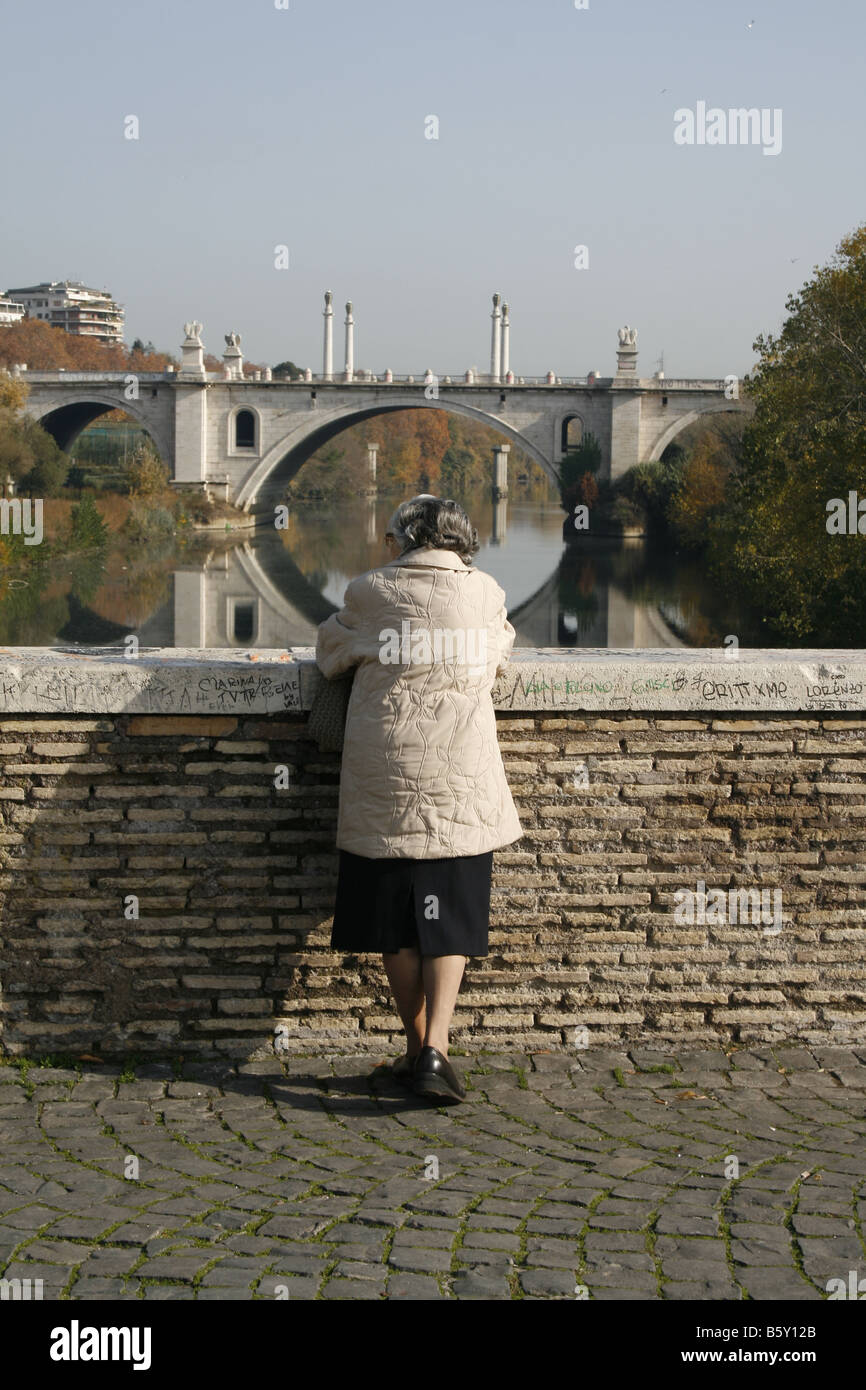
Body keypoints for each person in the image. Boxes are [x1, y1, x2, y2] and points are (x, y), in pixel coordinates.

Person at [315, 494, 523, 1103]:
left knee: (395, 924)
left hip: (386, 777)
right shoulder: (485, 593)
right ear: (462, 540)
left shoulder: (369, 591)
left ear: (403, 540)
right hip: (460, 778)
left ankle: (414, 1050)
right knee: (449, 920)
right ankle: (436, 1048)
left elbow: (331, 653)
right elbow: (500, 655)